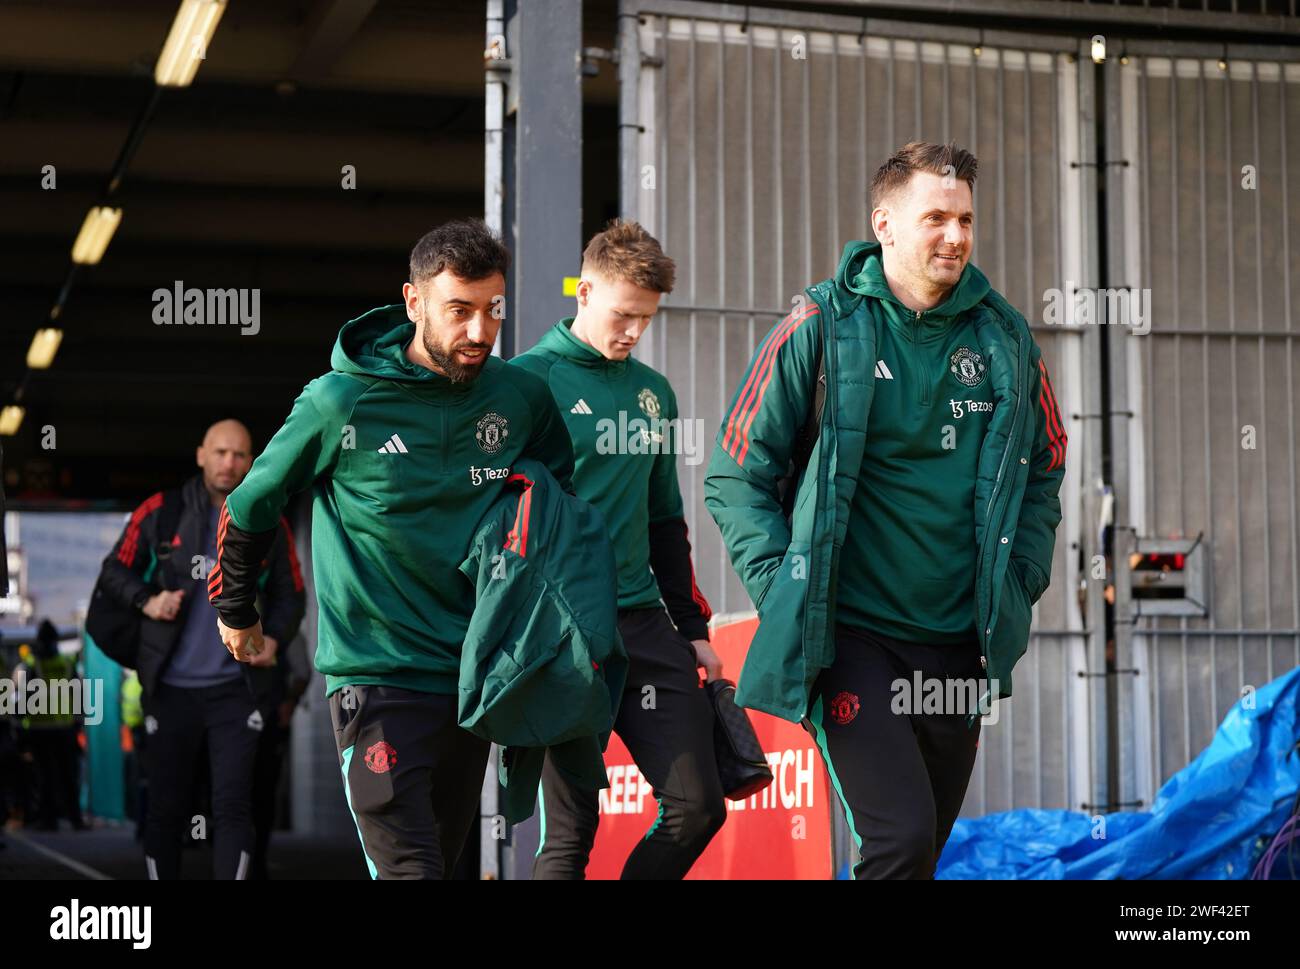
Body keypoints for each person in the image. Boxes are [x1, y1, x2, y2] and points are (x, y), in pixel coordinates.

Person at [704, 142, 1067, 879]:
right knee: (898, 840)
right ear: (885, 225)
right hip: (855, 639)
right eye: (935, 217)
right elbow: (734, 473)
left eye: (965, 218)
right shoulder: (820, 324)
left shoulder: (1005, 340)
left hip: (962, 640)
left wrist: (1023, 574)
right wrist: (787, 591)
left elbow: (1046, 465)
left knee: (921, 848)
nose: (956, 235)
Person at [209, 218, 576, 880]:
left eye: (491, 309)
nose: (478, 330)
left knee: (444, 860)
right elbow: (250, 503)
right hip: (374, 674)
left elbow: (556, 503)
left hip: (472, 678)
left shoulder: (522, 398)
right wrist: (237, 606)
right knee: (411, 868)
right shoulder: (339, 401)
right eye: (457, 310)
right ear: (413, 303)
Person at [512, 220, 725, 879]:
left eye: (645, 319)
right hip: (562, 633)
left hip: (643, 622)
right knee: (571, 836)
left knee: (699, 806)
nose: (633, 331)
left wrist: (694, 629)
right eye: (623, 315)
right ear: (586, 291)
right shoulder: (525, 383)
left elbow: (666, 518)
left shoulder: (652, 392)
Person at [98, 419, 305, 879]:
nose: (229, 463)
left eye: (239, 454)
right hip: (170, 689)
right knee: (166, 808)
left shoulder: (267, 519)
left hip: (238, 690)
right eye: (220, 452)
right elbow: (113, 572)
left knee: (234, 805)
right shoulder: (161, 512)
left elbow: (293, 595)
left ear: (252, 461)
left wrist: (274, 639)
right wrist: (147, 600)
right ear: (200, 455)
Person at [16, 620, 85, 832]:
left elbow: (22, 699)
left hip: (40, 731)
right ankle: (75, 819)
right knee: (68, 776)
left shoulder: (32, 666)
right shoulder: (66, 663)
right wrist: (78, 722)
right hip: (64, 729)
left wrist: (19, 726)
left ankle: (49, 820)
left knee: (45, 776)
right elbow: (78, 694)